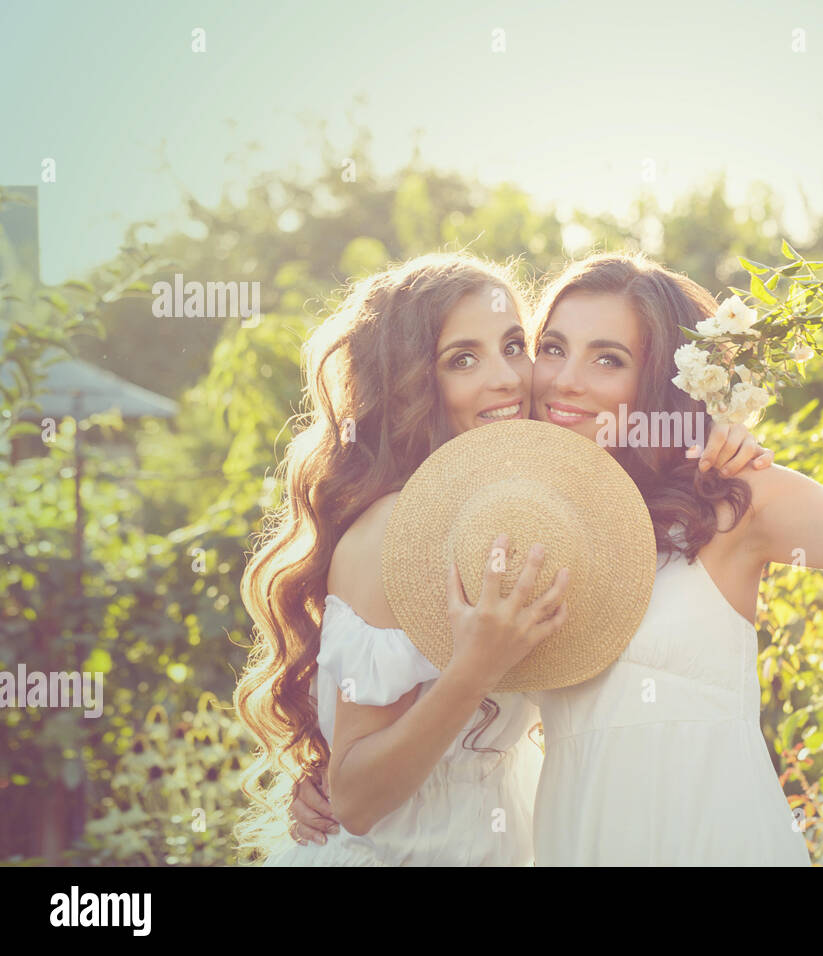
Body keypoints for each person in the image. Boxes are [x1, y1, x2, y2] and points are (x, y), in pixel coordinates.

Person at [237, 252, 771, 863]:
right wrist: (473, 669)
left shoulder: (516, 515)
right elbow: (356, 800)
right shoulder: (389, 531)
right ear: (412, 380)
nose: (510, 379)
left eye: (515, 346)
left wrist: (722, 434)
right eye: (463, 359)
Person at [525, 251, 823, 865]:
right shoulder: (526, 521)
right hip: (578, 840)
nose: (565, 380)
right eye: (552, 348)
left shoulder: (730, 497)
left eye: (608, 358)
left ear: (658, 384)